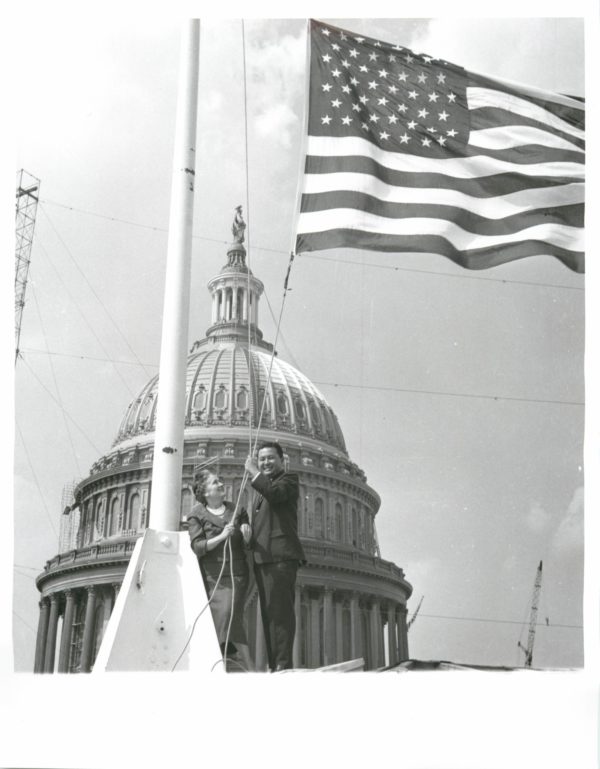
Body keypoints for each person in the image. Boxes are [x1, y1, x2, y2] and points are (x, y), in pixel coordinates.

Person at [245, 442, 306, 672]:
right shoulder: (260, 491)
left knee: (280, 614)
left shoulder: (288, 480)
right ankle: (274, 665)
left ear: (282, 460)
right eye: (262, 459)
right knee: (269, 613)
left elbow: (276, 495)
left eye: (271, 458)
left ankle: (283, 664)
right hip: (263, 558)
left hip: (281, 556)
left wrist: (254, 471)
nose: (266, 462)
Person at [187, 469, 252, 670]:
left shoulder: (237, 510)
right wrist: (222, 536)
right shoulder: (196, 515)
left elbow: (247, 541)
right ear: (205, 492)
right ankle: (227, 656)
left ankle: (228, 655)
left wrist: (247, 535)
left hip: (237, 573)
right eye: (216, 483)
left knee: (230, 613)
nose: (221, 484)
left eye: (220, 481)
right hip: (213, 575)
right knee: (223, 614)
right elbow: (198, 547)